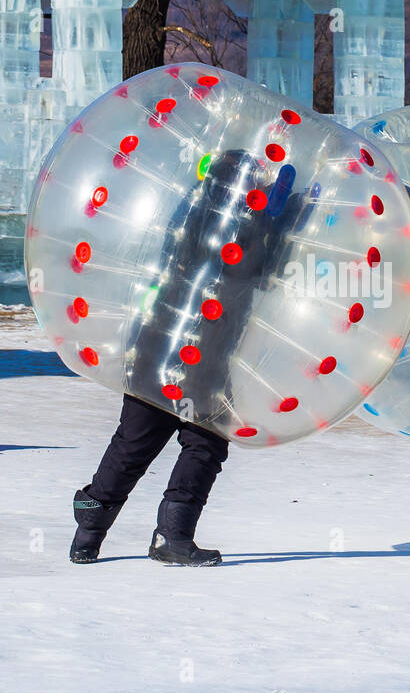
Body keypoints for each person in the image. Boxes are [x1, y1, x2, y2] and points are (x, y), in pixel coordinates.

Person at [69, 148, 299, 568]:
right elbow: (250, 265)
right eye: (254, 181)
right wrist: (286, 211)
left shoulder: (198, 209)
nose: (261, 188)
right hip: (186, 349)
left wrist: (284, 212)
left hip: (171, 347)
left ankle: (111, 529)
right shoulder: (225, 222)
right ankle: (150, 532)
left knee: (165, 442)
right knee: (176, 442)